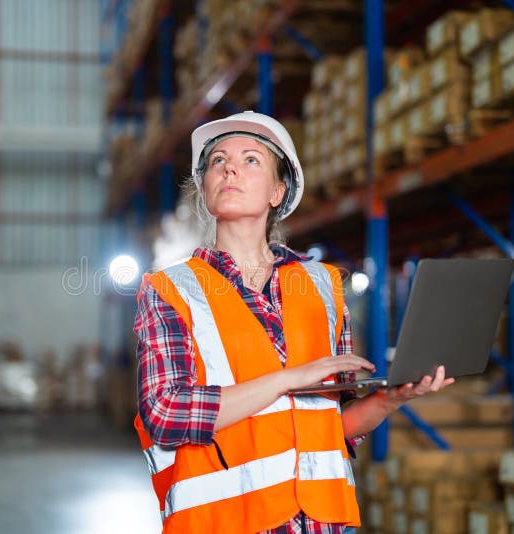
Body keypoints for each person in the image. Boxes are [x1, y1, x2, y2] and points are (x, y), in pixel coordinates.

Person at [133, 111, 453, 534]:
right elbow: (165, 412)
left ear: (277, 191)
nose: (230, 167)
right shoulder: (170, 289)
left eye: (251, 159)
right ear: (206, 191)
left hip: (320, 524)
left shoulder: (322, 286)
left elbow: (330, 429)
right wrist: (290, 378)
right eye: (217, 161)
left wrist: (389, 400)